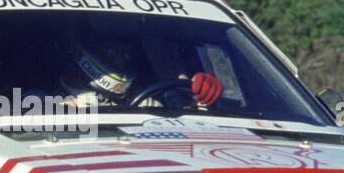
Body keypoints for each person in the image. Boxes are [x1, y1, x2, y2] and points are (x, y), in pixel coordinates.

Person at [57, 40, 223, 109]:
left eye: (125, 51)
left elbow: (183, 122)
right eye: (112, 50)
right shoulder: (46, 102)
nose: (123, 57)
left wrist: (199, 96)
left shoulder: (142, 99)